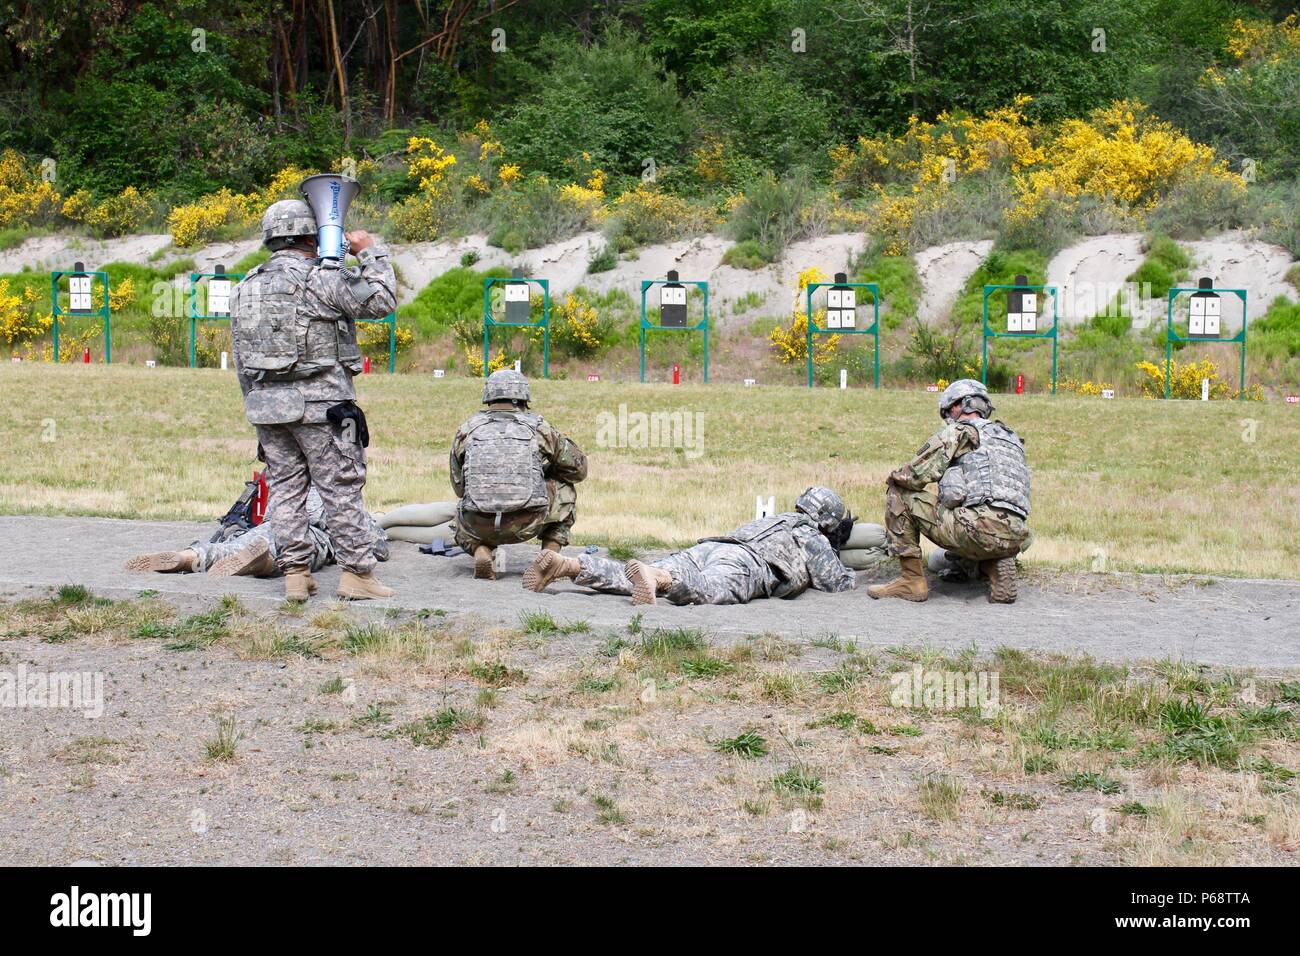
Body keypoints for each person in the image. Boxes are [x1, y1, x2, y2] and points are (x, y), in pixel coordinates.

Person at [229, 198, 397, 601]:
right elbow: (382, 302)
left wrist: (255, 406)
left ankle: (296, 573)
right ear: (312, 235)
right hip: (323, 406)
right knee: (340, 488)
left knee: (286, 490)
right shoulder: (321, 278)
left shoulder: (245, 286)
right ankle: (357, 575)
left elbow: (240, 359)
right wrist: (369, 253)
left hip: (267, 406)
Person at [524, 486, 856, 606]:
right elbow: (835, 582)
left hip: (714, 546)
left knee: (640, 576)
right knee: (708, 589)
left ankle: (572, 566)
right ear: (826, 520)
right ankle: (661, 580)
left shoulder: (777, 518)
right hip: (748, 564)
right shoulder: (812, 534)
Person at [868, 379, 1031, 604]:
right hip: (1016, 535)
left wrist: (892, 479)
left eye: (948, 410)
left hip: (977, 529)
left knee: (898, 493)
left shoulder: (960, 431)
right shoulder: (1011, 439)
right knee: (968, 510)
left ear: (958, 406)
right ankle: (992, 563)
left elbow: (915, 475)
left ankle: (911, 580)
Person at [449, 369, 588, 581]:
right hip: (528, 521)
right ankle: (549, 557)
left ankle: (481, 551)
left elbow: (459, 488)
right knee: (565, 488)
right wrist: (546, 473)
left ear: (488, 396)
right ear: (523, 396)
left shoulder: (466, 430)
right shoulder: (539, 428)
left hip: (479, 525)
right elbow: (578, 470)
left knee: (462, 509)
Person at [125, 487, 388, 579]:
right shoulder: (344, 498)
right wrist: (373, 523)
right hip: (315, 535)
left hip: (275, 523)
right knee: (292, 556)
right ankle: (263, 564)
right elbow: (375, 547)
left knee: (230, 547)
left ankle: (187, 556)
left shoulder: (292, 481)